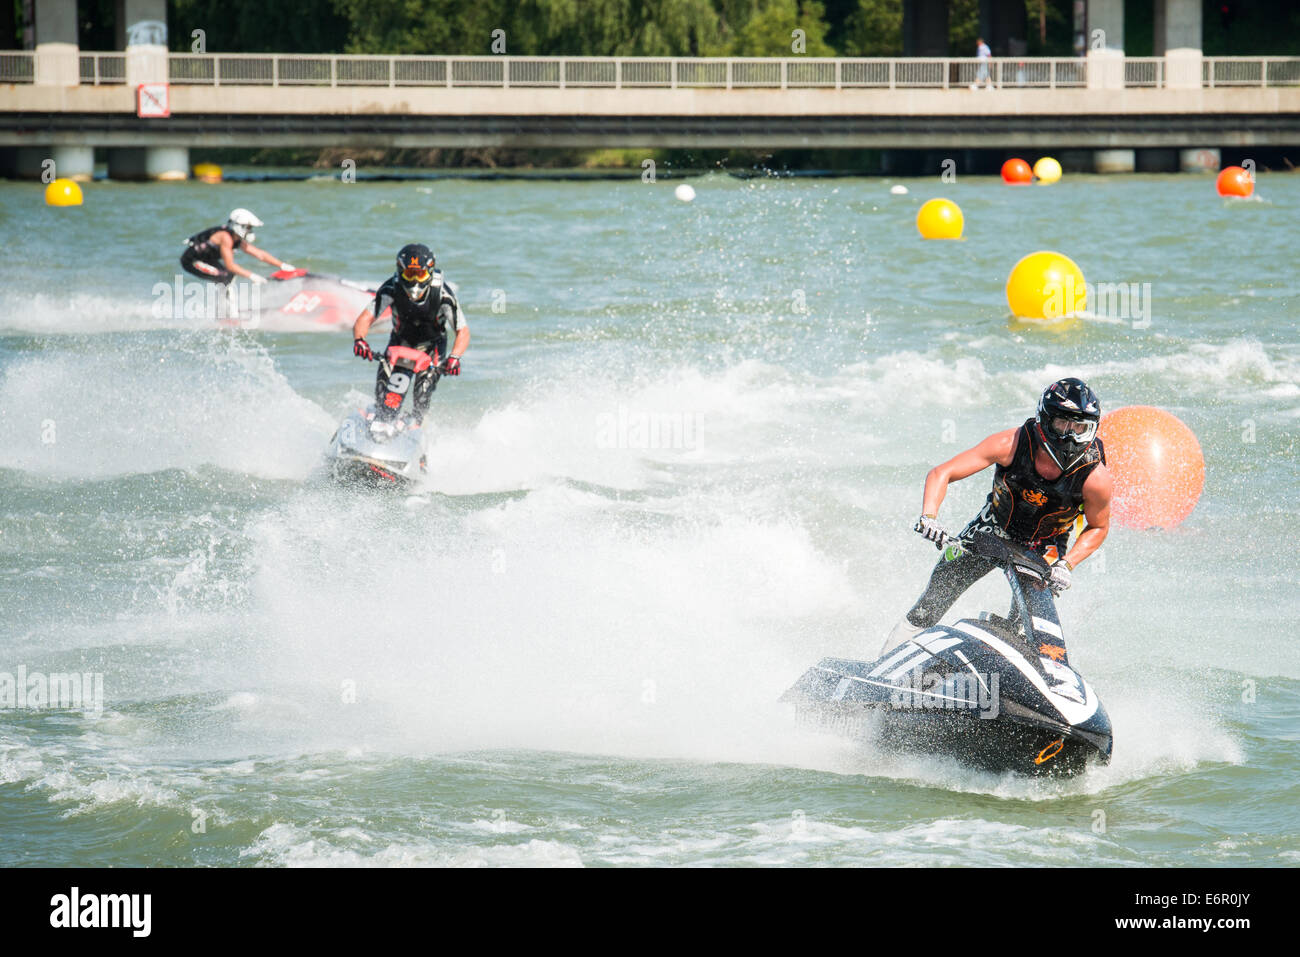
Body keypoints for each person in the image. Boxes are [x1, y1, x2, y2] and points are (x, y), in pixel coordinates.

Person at [881, 378, 1112, 655]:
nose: (1070, 437)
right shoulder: (1009, 444)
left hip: (1046, 545)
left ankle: (1017, 680)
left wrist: (1067, 565)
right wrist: (929, 517)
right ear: (1044, 421)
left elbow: (1098, 526)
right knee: (931, 604)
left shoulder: (1095, 478)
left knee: (1028, 627)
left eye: (1080, 428)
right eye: (1062, 424)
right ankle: (882, 667)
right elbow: (941, 473)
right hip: (992, 528)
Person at [351, 243, 468, 423]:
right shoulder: (391, 288)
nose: (415, 282)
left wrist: (455, 357)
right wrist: (360, 340)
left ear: (429, 272)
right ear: (400, 272)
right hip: (400, 344)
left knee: (422, 394)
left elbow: (462, 331)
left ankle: (417, 426)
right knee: (387, 398)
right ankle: (378, 424)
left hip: (432, 348)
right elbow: (365, 319)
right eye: (409, 275)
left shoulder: (444, 295)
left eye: (420, 274)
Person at [180, 208, 294, 318]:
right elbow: (230, 265)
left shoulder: (236, 239)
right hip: (192, 261)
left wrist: (282, 265)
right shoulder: (226, 238)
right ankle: (225, 314)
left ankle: (227, 312)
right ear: (240, 226)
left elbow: (259, 254)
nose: (250, 231)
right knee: (225, 276)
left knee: (227, 277)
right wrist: (253, 276)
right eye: (249, 228)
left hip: (207, 260)